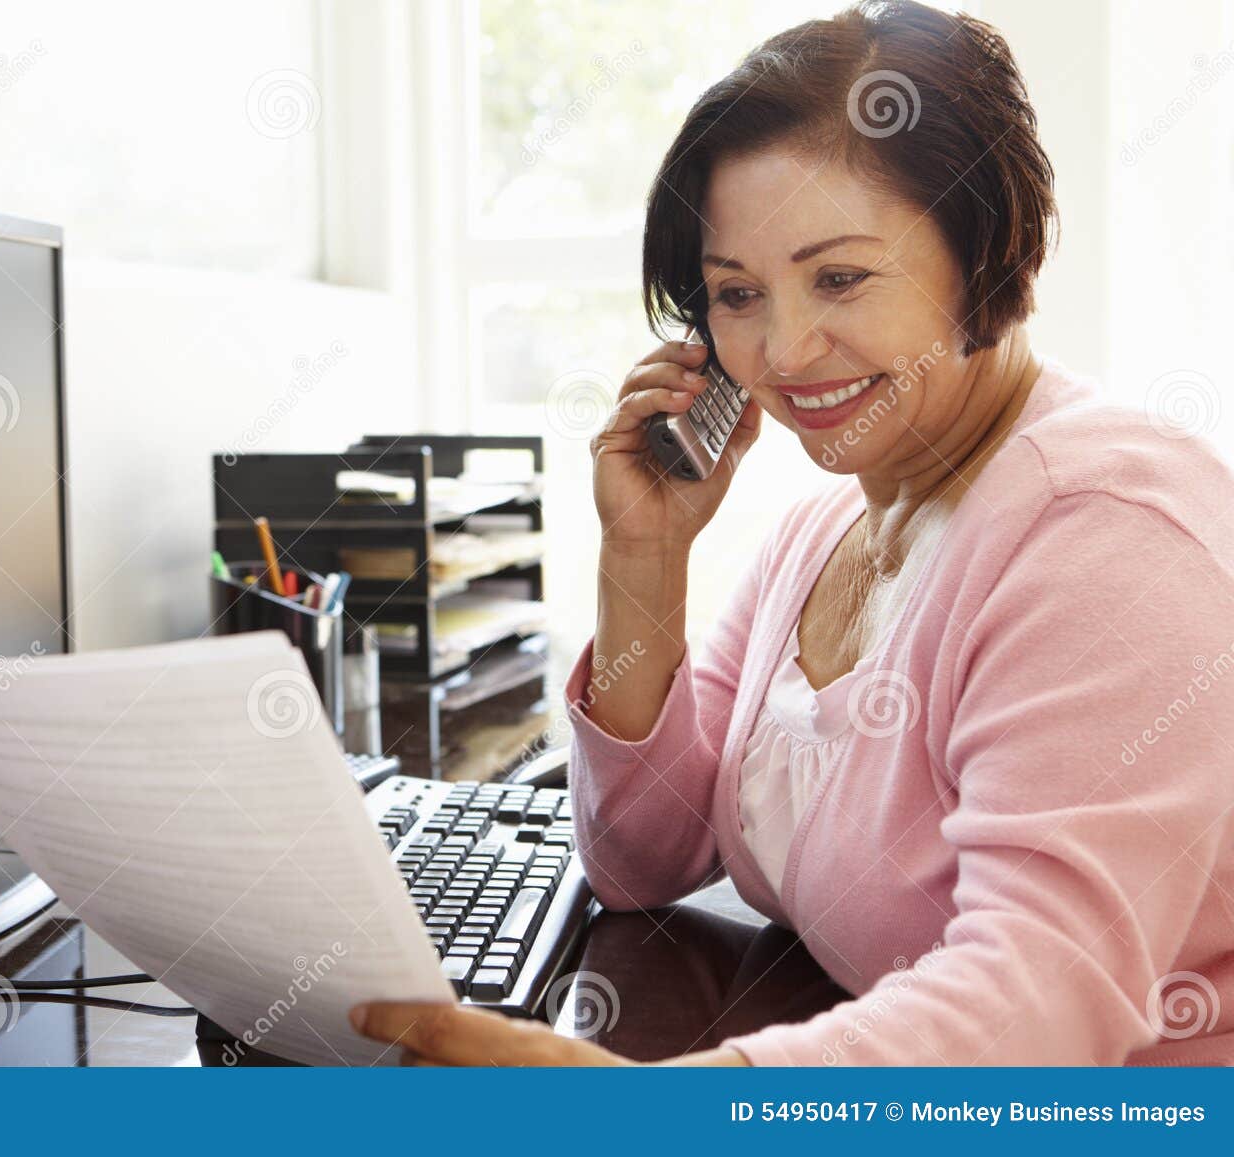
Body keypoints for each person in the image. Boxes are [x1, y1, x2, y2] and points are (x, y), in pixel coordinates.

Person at [353, 0, 1234, 1065]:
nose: (782, 350)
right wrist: (643, 557)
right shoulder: (823, 529)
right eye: (737, 293)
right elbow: (640, 857)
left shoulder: (1107, 532)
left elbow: (1042, 1002)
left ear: (985, 251)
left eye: (839, 278)